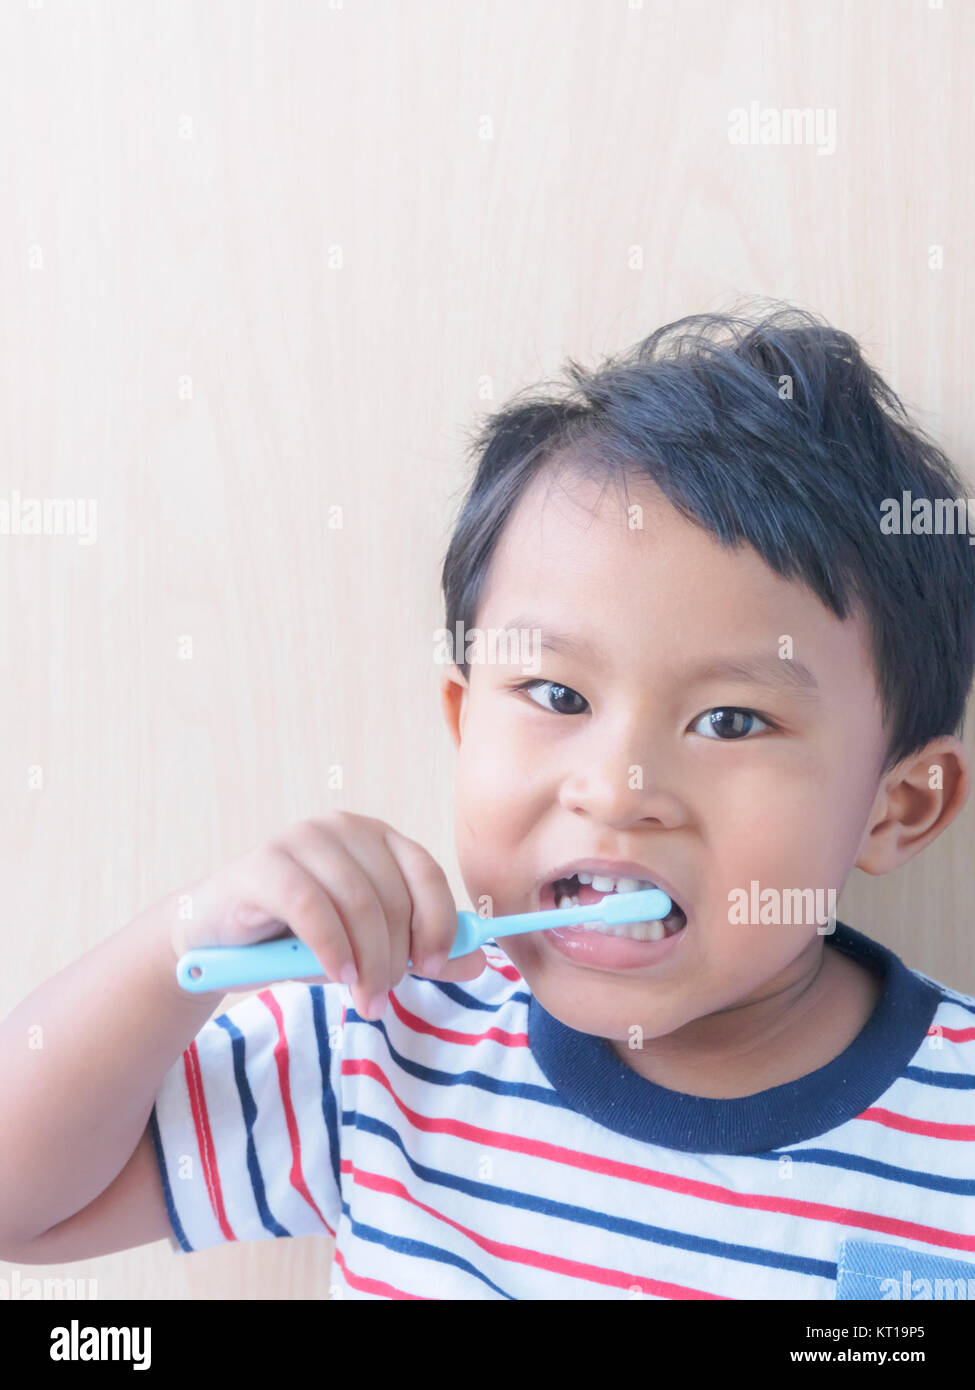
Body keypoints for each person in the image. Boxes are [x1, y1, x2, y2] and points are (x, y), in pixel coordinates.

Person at [3, 302, 974, 1300]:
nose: (614, 790)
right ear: (466, 721)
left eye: (730, 720)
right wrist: (190, 944)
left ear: (899, 806)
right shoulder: (386, 1040)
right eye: (557, 696)